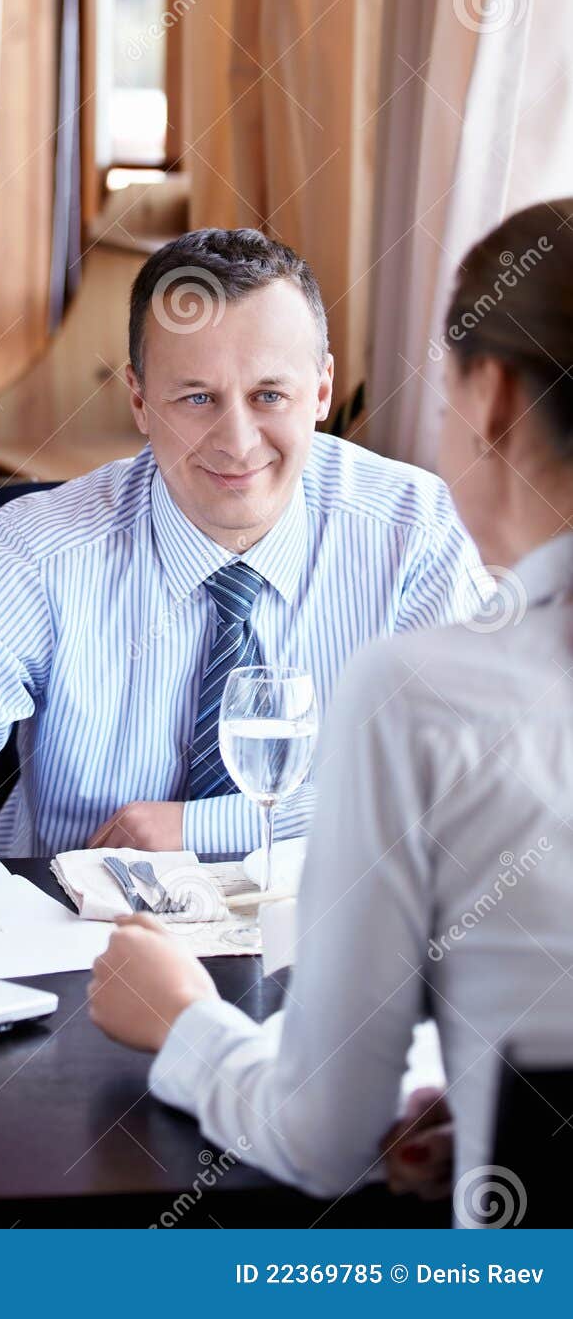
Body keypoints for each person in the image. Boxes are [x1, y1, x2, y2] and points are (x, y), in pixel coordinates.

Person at [0, 228, 481, 948]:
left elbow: (463, 782)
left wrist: (197, 828)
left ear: (320, 390)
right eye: (195, 398)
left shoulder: (415, 531)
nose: (237, 441)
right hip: (65, 944)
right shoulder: (37, 549)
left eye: (269, 394)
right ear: (137, 399)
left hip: (331, 947)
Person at [88, 200, 573, 1210]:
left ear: (486, 398)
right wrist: (481, 1102)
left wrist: (180, 1019)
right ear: (140, 398)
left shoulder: (423, 691)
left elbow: (318, 1136)